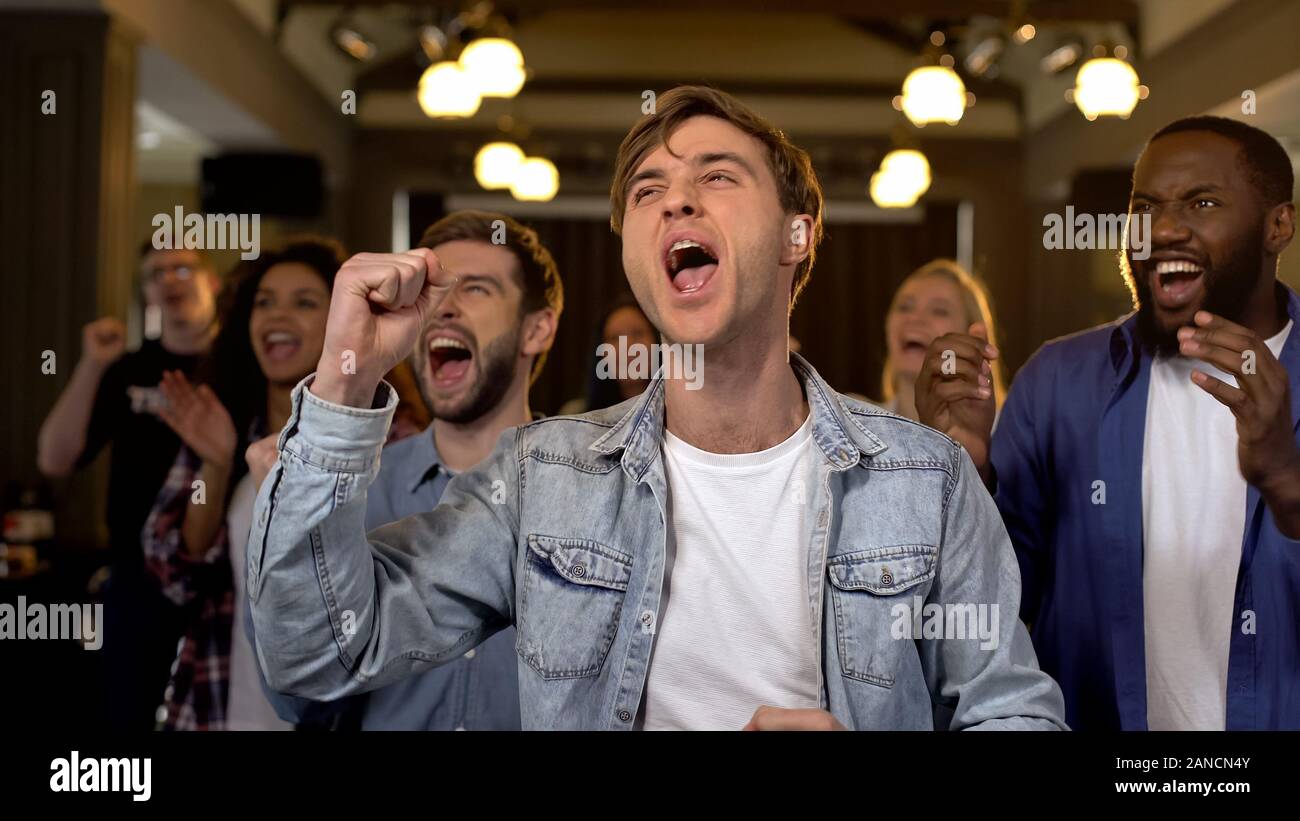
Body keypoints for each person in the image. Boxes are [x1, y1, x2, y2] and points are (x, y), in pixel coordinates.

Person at [248, 85, 1066, 730]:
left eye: (716, 175)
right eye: (648, 191)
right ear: (637, 260)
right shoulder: (542, 480)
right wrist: (344, 380)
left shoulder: (927, 479)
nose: (676, 201)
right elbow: (317, 653)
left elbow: (1014, 711)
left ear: (797, 236)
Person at [916, 116, 1298, 730]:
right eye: (1144, 207)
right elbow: (989, 619)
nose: (1164, 229)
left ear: (1278, 225)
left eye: (1202, 202)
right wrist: (967, 470)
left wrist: (1286, 478)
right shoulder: (1059, 383)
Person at [249, 210, 562, 730]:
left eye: (477, 290)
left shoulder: (586, 494)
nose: (444, 310)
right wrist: (292, 520)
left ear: (537, 328)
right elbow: (297, 699)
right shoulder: (336, 487)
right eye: (433, 294)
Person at [141, 237, 344, 730]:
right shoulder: (222, 424)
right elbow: (175, 570)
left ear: (342, 322)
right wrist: (214, 465)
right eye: (265, 302)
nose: (278, 316)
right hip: (227, 703)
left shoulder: (386, 437)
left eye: (304, 302)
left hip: (339, 709)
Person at [36, 242, 220, 731]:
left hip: (224, 579)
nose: (170, 279)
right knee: (126, 717)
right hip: (137, 579)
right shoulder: (129, 370)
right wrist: (93, 364)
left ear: (212, 283)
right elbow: (54, 458)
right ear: (148, 294)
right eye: (155, 274)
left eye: (183, 267)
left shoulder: (238, 366)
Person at [879, 259, 1005, 421]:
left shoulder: (1009, 433)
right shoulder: (852, 426)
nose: (914, 319)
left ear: (973, 337)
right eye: (904, 307)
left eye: (939, 311)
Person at [559, 294, 656, 415]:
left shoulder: (678, 416)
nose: (626, 346)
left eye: (637, 333)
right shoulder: (577, 418)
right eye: (614, 338)